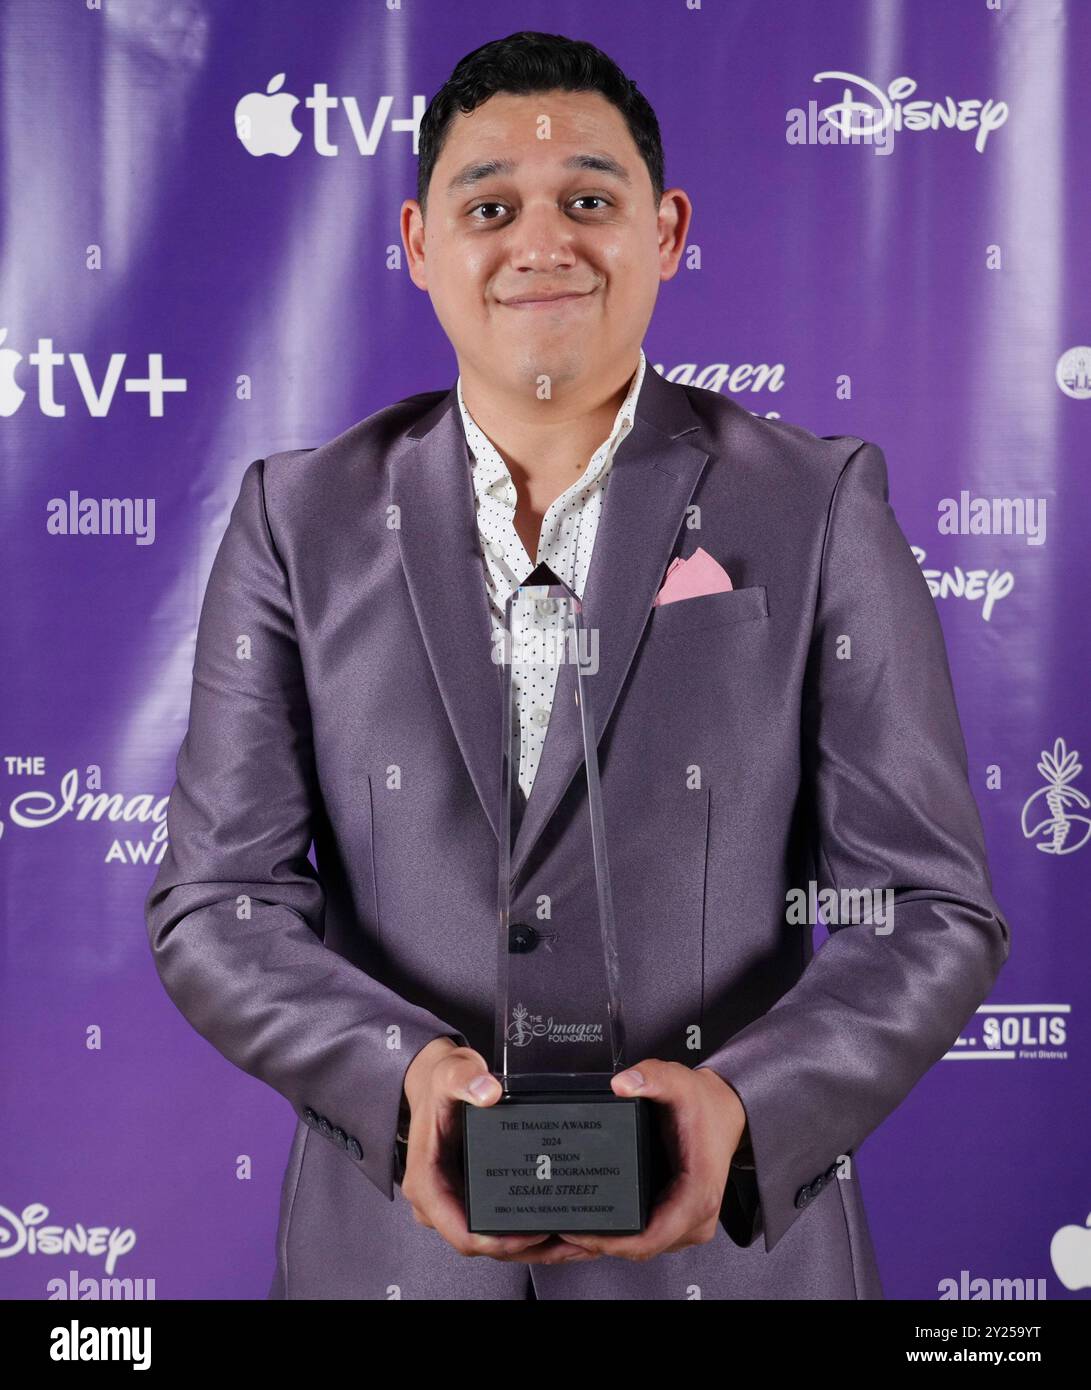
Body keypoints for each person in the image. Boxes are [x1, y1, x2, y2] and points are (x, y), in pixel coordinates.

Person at [144, 31, 1010, 1300]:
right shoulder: (298, 518)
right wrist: (403, 1083)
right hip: (392, 1266)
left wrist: (744, 1106)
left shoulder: (817, 505)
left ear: (663, 232)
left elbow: (931, 908)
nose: (540, 242)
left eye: (588, 201)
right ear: (417, 244)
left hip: (730, 1270)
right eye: (489, 205)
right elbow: (216, 901)